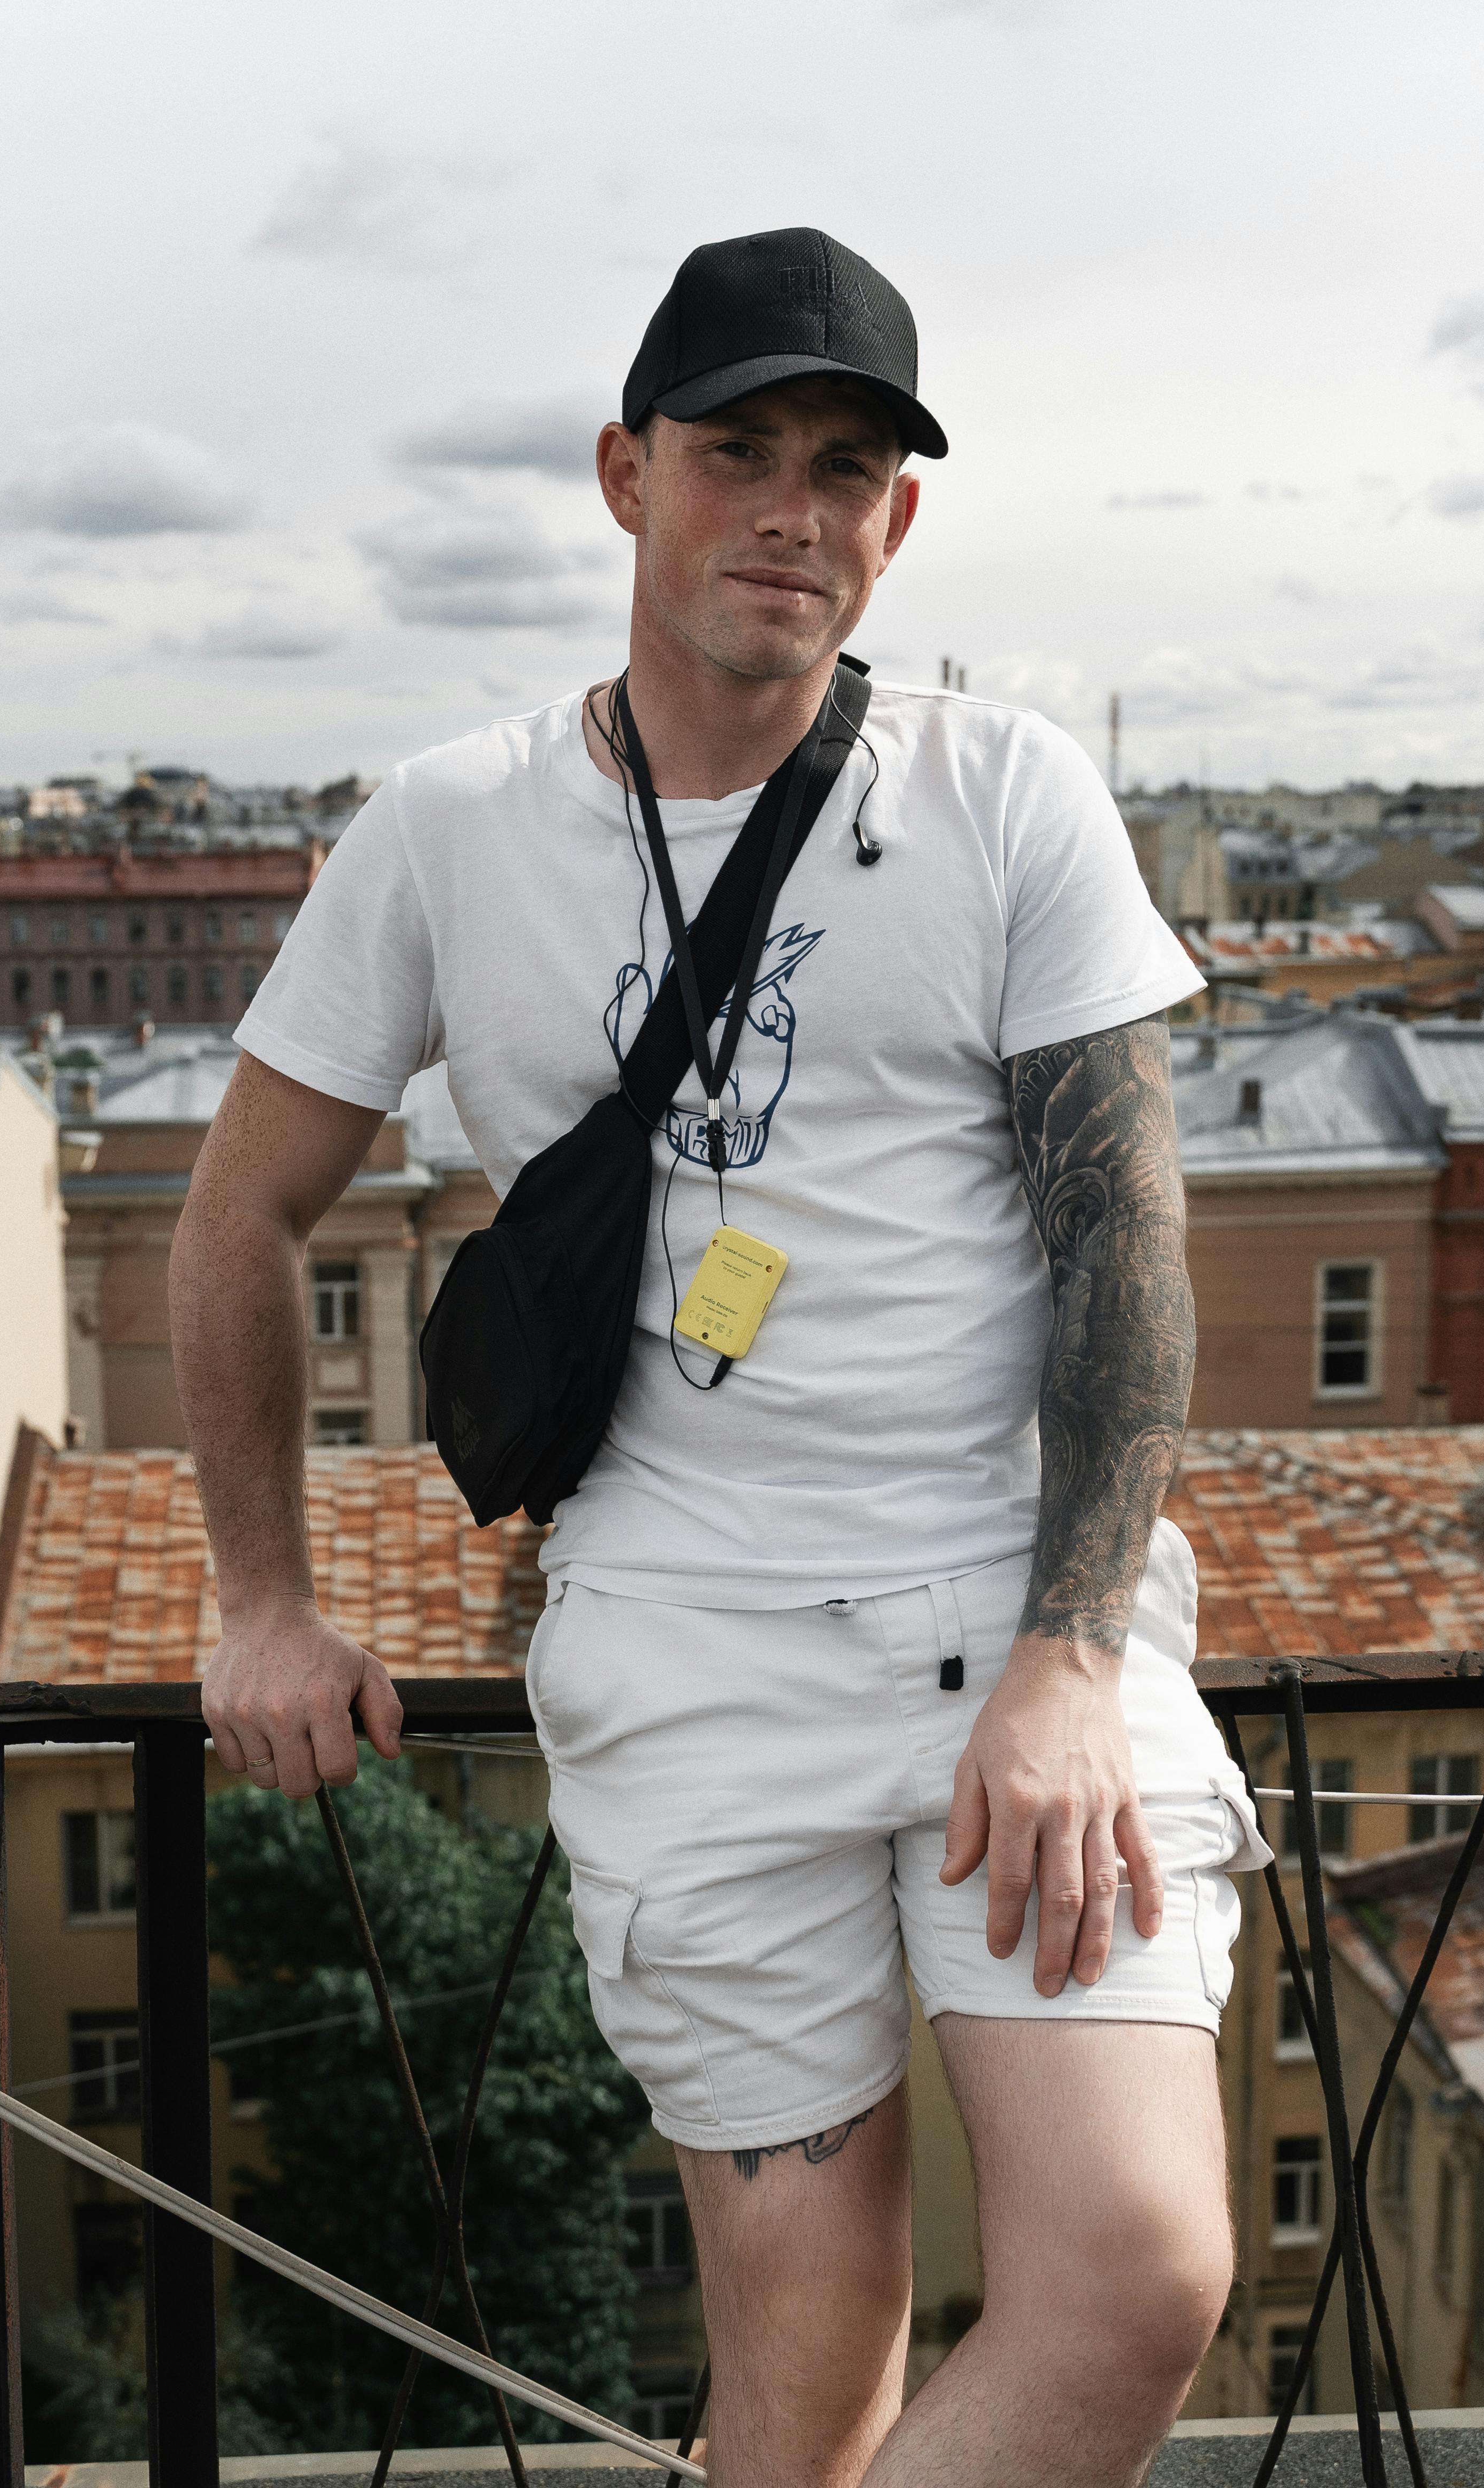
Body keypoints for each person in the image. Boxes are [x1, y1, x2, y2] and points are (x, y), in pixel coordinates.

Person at [175, 226, 1259, 2488]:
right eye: (740, 451)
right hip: (680, 1650)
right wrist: (258, 1596)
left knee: (1136, 2273)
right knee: (808, 2357)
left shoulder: (1004, 789)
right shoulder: (452, 827)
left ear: (901, 520)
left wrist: (1073, 1657)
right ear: (626, 476)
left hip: (1013, 1636)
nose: (793, 509)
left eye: (845, 469)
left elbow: (1125, 1238)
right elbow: (238, 1214)